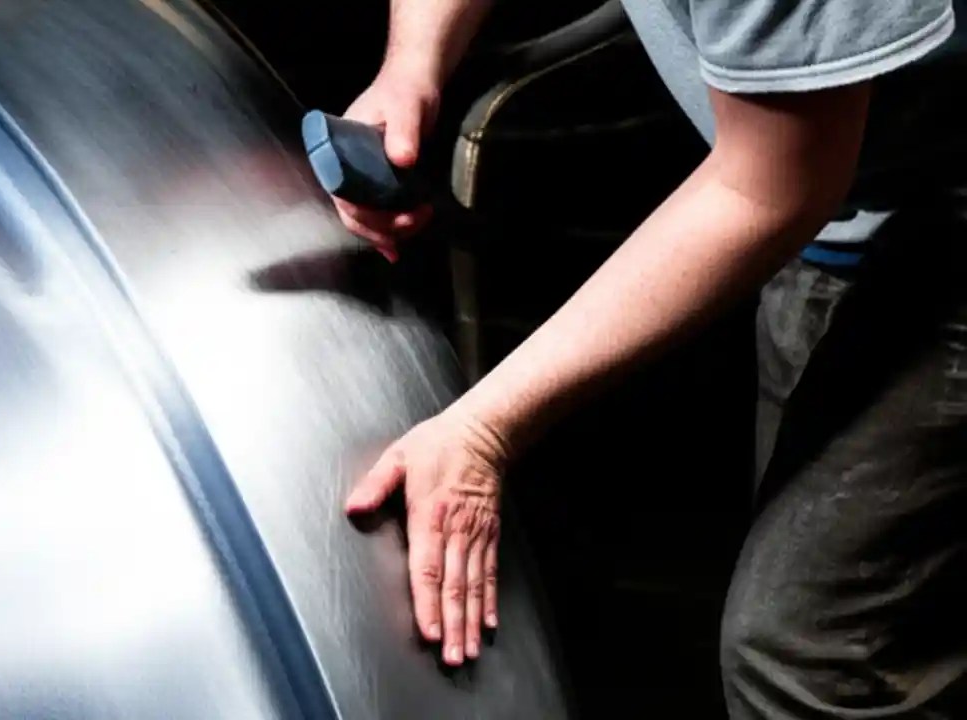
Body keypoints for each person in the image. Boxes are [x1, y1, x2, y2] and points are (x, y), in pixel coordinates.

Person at [336, 0, 967, 716]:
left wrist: (484, 428)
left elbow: (771, 185)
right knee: (891, 605)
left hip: (916, 203)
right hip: (844, 194)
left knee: (812, 656)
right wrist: (412, 66)